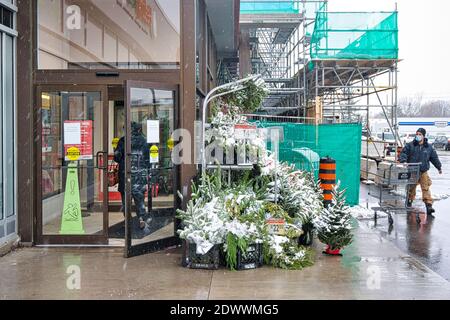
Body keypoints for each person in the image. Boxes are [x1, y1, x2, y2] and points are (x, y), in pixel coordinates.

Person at [114, 122, 151, 229]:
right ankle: (141, 218)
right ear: (138, 130)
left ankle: (128, 220)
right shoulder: (144, 141)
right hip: (139, 175)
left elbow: (117, 157)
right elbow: (148, 159)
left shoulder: (123, 141)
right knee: (139, 199)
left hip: (126, 174)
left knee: (126, 200)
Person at [399, 128, 442, 215]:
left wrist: (439, 167)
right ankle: (409, 200)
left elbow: (434, 158)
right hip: (413, 170)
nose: (418, 136)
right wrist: (403, 161)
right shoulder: (410, 145)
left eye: (420, 134)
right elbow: (404, 153)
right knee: (411, 188)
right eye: (417, 134)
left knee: (425, 188)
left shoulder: (429, 147)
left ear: (423, 136)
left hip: (423, 171)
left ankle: (428, 206)